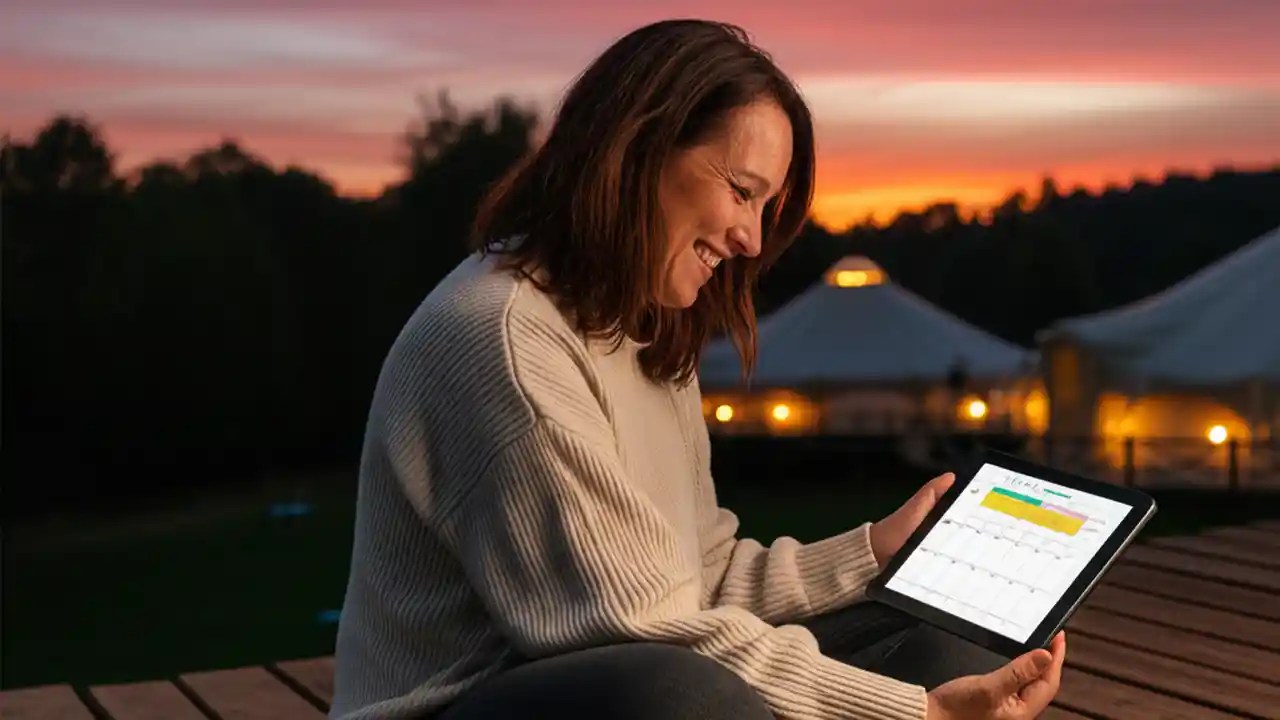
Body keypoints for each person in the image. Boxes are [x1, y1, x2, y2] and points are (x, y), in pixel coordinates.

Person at [330, 18, 1065, 720]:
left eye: (766, 206)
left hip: (624, 665)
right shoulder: (504, 338)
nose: (751, 238)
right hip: (475, 702)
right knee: (688, 697)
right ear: (637, 152)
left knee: (946, 640)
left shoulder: (645, 332)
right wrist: (916, 711)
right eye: (742, 192)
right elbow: (640, 625)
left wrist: (869, 552)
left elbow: (698, 578)